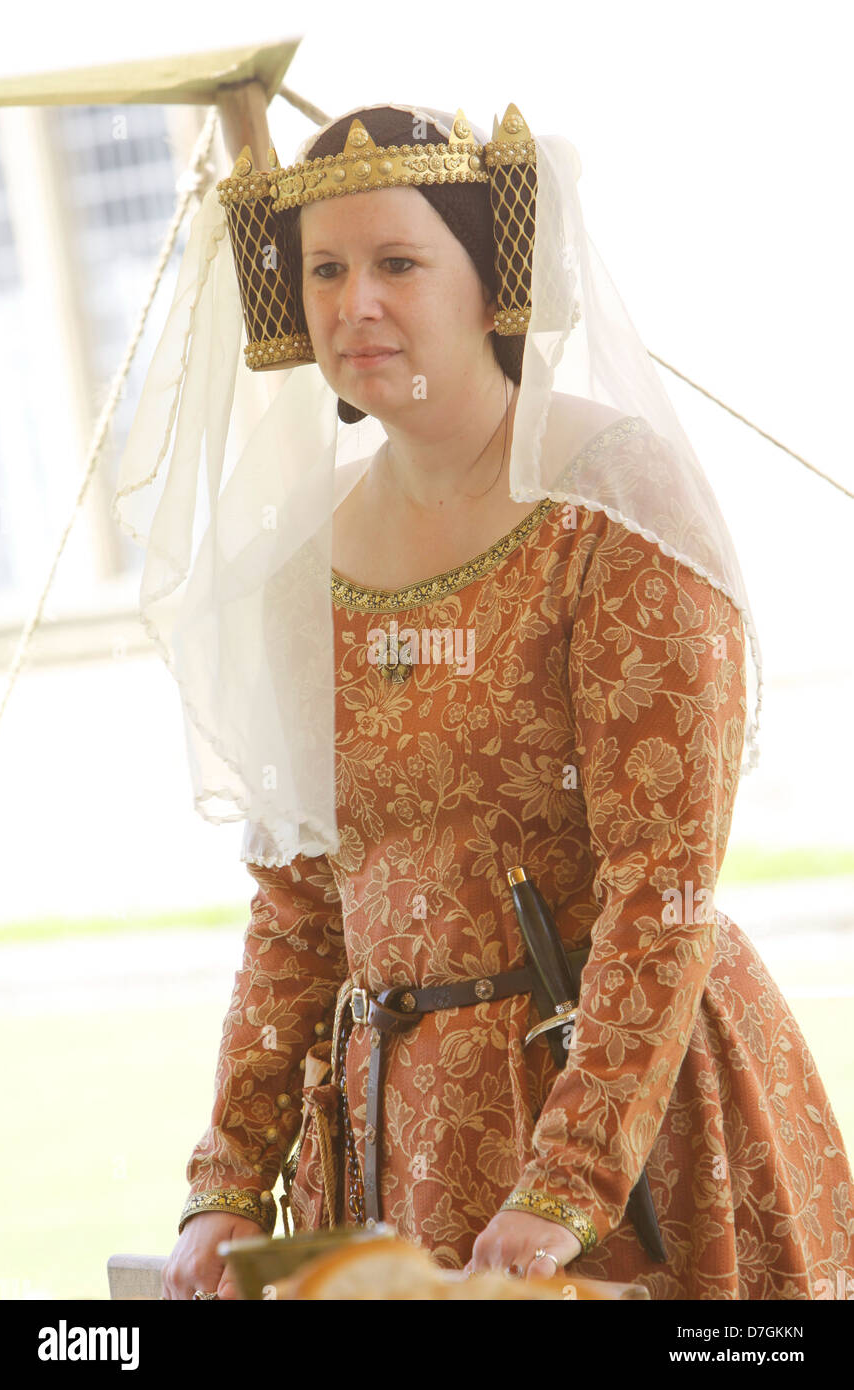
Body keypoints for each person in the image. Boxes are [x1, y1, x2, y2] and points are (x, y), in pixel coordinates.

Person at [115, 103, 853, 1300]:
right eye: (326, 269)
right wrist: (230, 1183)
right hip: (390, 1145)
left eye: (397, 263)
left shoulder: (612, 502)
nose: (354, 302)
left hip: (624, 1128)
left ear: (492, 279)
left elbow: (658, 886)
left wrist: (564, 1184)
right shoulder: (300, 562)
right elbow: (303, 905)